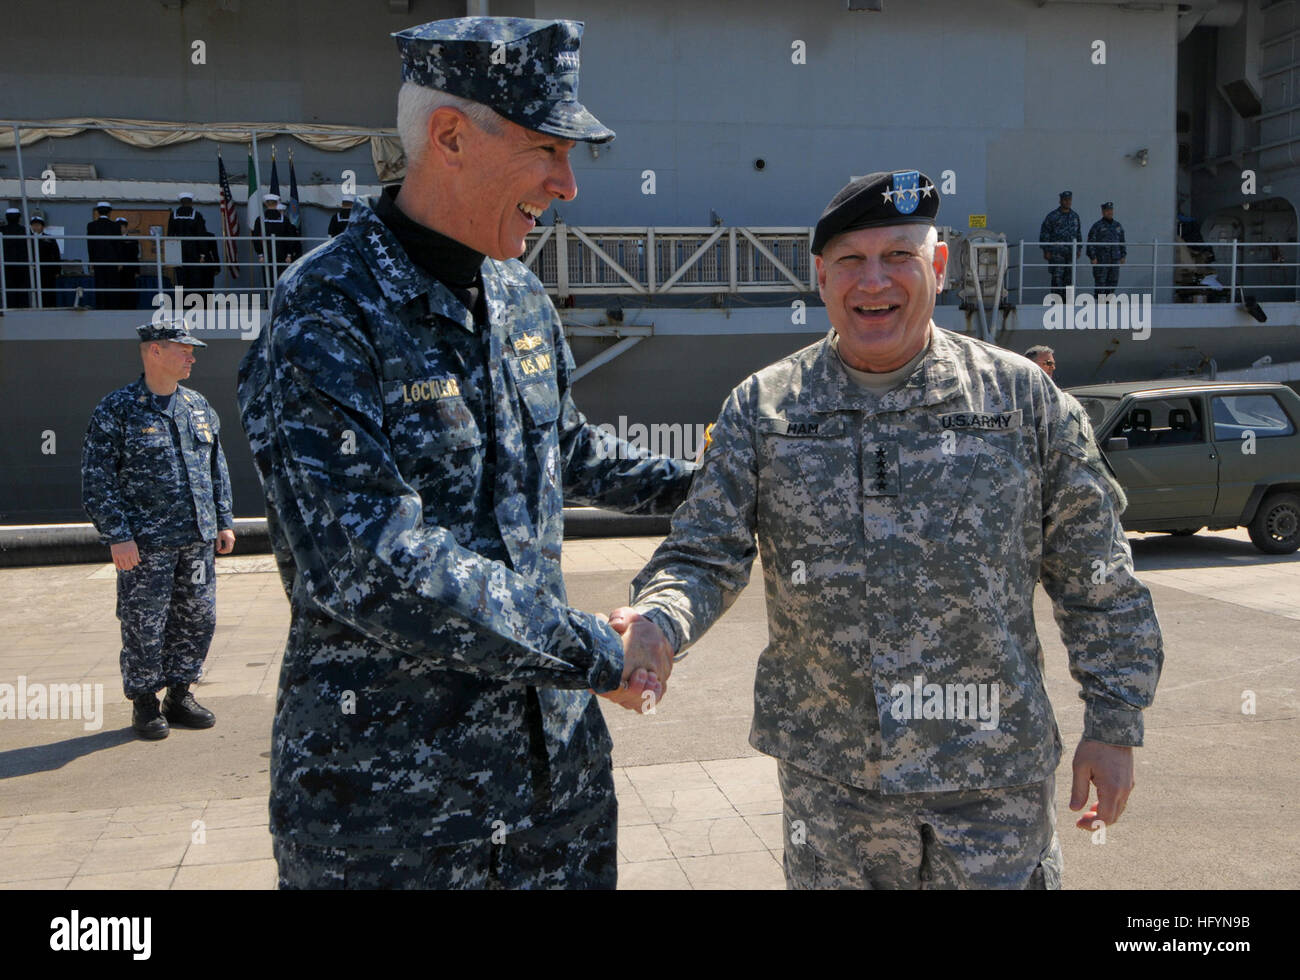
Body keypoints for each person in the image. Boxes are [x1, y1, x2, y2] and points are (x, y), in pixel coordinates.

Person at [237, 15, 691, 890]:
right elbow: (371, 562)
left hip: (556, 797)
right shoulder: (326, 314)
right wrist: (599, 651)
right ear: (449, 135)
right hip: (393, 818)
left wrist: (715, 483)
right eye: (547, 152)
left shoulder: (518, 293)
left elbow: (571, 452)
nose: (566, 185)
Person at [624, 170, 1165, 889]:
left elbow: (1096, 570)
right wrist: (659, 624)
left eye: (898, 257)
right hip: (835, 792)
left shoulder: (1021, 400)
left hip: (990, 785)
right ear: (820, 277)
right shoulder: (763, 408)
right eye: (850, 260)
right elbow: (703, 551)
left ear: (937, 268)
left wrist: (1115, 719)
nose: (872, 282)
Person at [81, 319, 236, 739]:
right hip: (145, 545)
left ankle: (180, 694)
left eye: (192, 350)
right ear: (154, 351)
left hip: (197, 540)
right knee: (144, 622)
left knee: (197, 618)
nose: (192, 356)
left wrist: (223, 520)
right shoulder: (118, 409)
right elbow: (98, 479)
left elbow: (215, 467)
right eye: (183, 349)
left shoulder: (198, 406)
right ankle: (146, 703)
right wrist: (117, 534)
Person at [251, 194, 301, 287]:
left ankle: (269, 299)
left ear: (266, 204)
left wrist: (260, 254)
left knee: (268, 279)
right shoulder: (285, 220)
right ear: (277, 203)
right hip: (282, 254)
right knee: (282, 279)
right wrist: (289, 254)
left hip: (266, 253)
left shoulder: (260, 219)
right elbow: (290, 237)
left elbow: (256, 238)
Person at [1039, 190, 1081, 291]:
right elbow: (1045, 232)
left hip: (1070, 253)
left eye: (1069, 200)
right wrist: (1046, 250)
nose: (1067, 202)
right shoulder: (1052, 216)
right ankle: (1057, 304)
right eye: (1065, 200)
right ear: (1060, 201)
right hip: (1056, 253)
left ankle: (1068, 304)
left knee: (1070, 279)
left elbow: (1078, 234)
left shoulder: (1075, 216)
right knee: (1057, 278)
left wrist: (1079, 249)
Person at [167, 191, 208, 292]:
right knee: (195, 279)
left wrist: (171, 255)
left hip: (178, 251)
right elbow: (201, 235)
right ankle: (194, 304)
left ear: (181, 202)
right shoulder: (197, 215)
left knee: (180, 279)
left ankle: (182, 305)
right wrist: (203, 254)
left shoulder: (173, 215)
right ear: (191, 202)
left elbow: (170, 235)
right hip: (194, 251)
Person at [1086, 202, 1126, 297]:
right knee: (1100, 283)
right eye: (1107, 210)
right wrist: (1093, 257)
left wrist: (1123, 255)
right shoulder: (1097, 226)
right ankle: (1100, 307)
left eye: (1111, 210)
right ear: (1103, 212)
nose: (1109, 212)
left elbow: (1122, 241)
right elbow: (1090, 243)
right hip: (1101, 260)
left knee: (1113, 282)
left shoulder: (1118, 226)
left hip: (1114, 260)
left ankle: (1109, 306)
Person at [86, 202, 119, 309]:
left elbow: (90, 245)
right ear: (109, 212)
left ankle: (100, 307)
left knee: (100, 285)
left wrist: (91, 261)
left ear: (98, 212)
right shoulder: (115, 226)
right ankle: (112, 307)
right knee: (111, 285)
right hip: (112, 260)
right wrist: (119, 261)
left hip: (97, 260)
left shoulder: (91, 226)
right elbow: (117, 245)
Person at [29, 214, 61, 307]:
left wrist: (57, 270)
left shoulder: (49, 239)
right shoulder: (27, 239)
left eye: (38, 225)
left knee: (48, 293)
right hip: (33, 270)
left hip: (47, 271)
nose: (35, 227)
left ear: (42, 227)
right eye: (33, 225)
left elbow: (56, 255)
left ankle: (50, 308)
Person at [2, 207, 31, 308]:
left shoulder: (2, 231)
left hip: (6, 266)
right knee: (23, 291)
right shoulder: (25, 230)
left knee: (9, 290)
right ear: (19, 218)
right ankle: (23, 308)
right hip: (23, 266)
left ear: (7, 218)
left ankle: (9, 307)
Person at [116, 217, 140, 309]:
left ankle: (131, 307)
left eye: (121, 227)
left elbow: (135, 256)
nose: (120, 229)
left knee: (130, 290)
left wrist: (137, 271)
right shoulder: (113, 240)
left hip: (130, 270)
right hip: (117, 270)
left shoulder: (133, 240)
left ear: (125, 228)